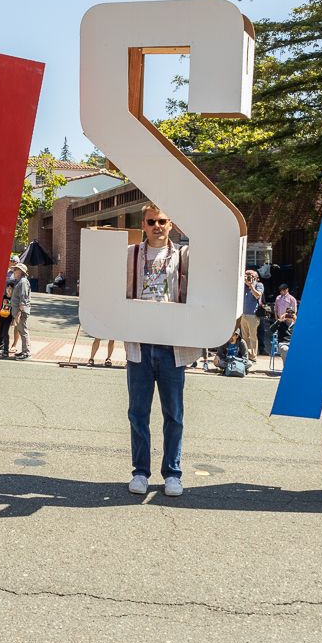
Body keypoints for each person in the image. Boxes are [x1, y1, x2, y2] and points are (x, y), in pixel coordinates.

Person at [124, 204, 193, 498]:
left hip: (171, 346)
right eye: (151, 221)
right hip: (139, 344)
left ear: (171, 224)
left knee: (173, 414)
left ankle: (172, 473)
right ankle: (140, 472)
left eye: (162, 221)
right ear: (143, 223)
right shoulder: (131, 254)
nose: (157, 226)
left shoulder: (183, 256)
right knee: (138, 413)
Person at [240, 269, 264, 361]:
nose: (248, 277)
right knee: (245, 337)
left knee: (253, 336)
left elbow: (258, 295)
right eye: (246, 275)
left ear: (255, 277)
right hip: (243, 314)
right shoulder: (242, 286)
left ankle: (253, 356)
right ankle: (246, 354)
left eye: (250, 275)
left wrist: (251, 286)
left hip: (253, 315)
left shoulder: (259, 285)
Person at [9, 263, 32, 359]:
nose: (13, 271)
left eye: (15, 270)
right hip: (18, 311)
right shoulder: (19, 281)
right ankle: (24, 350)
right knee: (21, 330)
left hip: (21, 311)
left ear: (21, 271)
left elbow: (23, 298)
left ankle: (26, 352)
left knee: (23, 331)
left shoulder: (23, 282)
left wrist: (19, 312)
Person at [0, 269, 15, 358]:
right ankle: (0, 348)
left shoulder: (14, 299)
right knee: (0, 333)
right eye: (8, 288)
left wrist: (14, 319)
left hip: (8, 317)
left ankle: (6, 350)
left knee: (5, 333)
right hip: (1, 317)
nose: (9, 290)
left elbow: (14, 309)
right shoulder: (3, 297)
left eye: (11, 288)